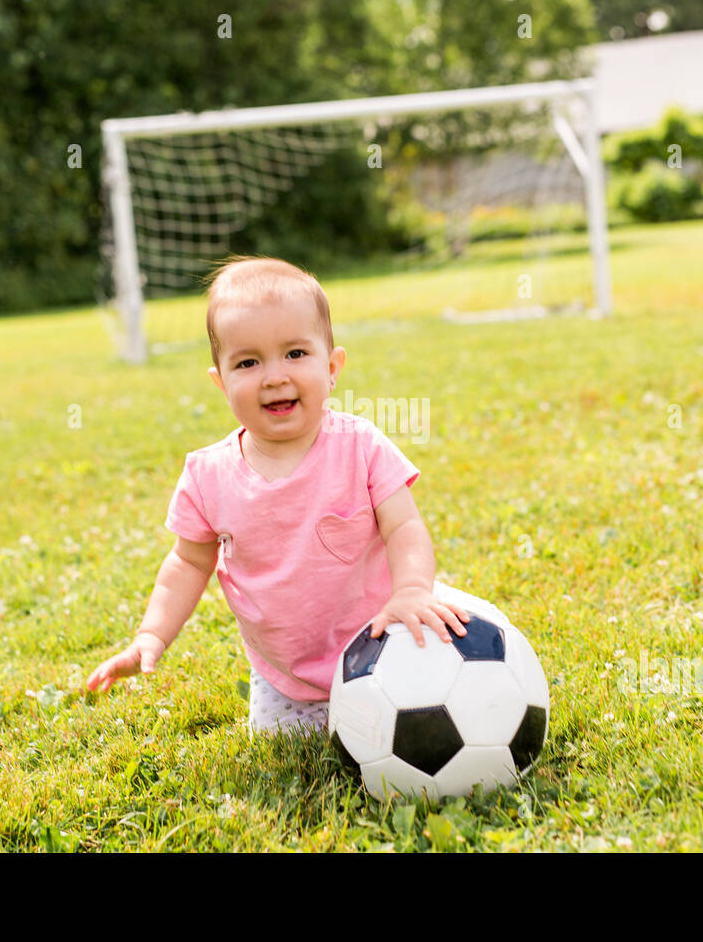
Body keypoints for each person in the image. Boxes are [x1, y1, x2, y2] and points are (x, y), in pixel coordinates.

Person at [86, 255, 484, 737]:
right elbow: (188, 564)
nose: (274, 376)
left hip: (387, 636)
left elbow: (404, 527)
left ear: (332, 366)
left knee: (419, 726)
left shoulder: (361, 446)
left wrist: (412, 590)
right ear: (221, 381)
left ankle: (438, 613)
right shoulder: (207, 475)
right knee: (299, 745)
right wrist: (151, 636)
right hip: (288, 678)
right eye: (248, 362)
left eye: (295, 354)